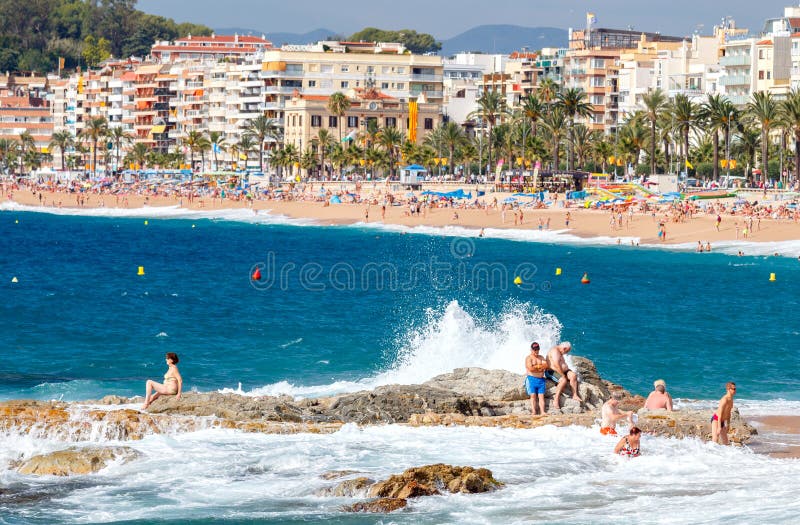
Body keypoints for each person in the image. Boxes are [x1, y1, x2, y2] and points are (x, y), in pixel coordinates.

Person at [545, 342, 581, 409]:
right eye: (567, 351)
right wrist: (562, 375)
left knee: (573, 375)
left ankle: (575, 395)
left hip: (562, 371)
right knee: (563, 380)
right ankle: (556, 400)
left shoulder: (560, 351)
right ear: (564, 348)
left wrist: (566, 371)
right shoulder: (555, 351)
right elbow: (556, 365)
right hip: (552, 371)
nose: (566, 353)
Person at [524, 342, 548, 415]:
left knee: (541, 396)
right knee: (533, 396)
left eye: (537, 349)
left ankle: (542, 412)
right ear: (531, 349)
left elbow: (546, 365)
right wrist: (539, 367)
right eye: (534, 350)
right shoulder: (529, 358)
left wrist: (536, 367)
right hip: (532, 379)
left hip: (541, 380)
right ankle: (534, 411)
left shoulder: (541, 357)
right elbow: (530, 368)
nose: (536, 351)